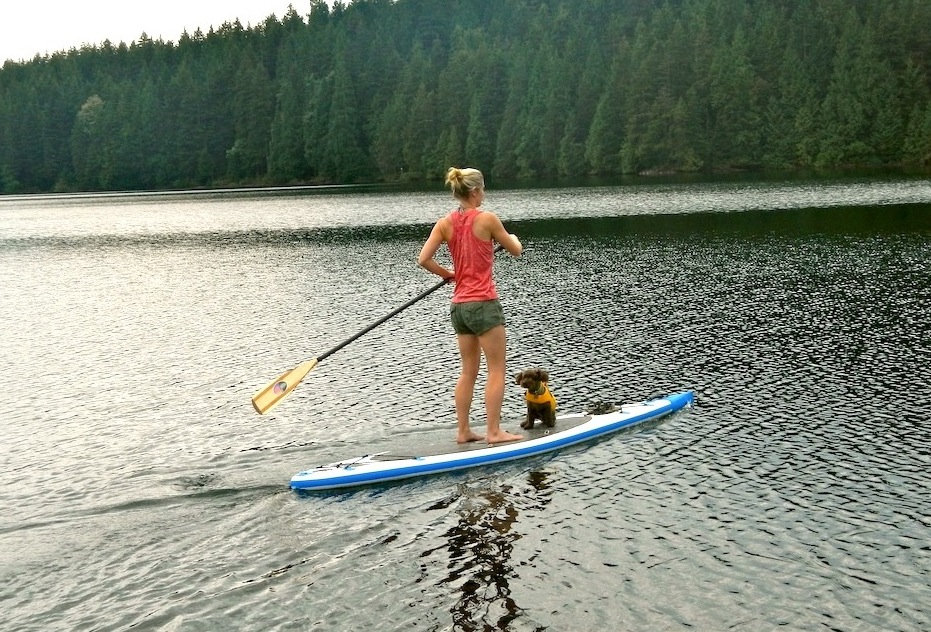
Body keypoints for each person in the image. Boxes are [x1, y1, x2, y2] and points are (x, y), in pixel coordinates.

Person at [418, 167, 525, 444]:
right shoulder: (487, 219)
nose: (484, 194)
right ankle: (493, 432)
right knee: (497, 369)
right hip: (484, 304)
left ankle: (463, 431)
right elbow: (515, 250)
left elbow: (424, 259)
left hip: (459, 307)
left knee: (468, 371)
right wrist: (514, 239)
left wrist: (448, 274)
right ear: (475, 191)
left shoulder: (445, 223)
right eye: (483, 189)